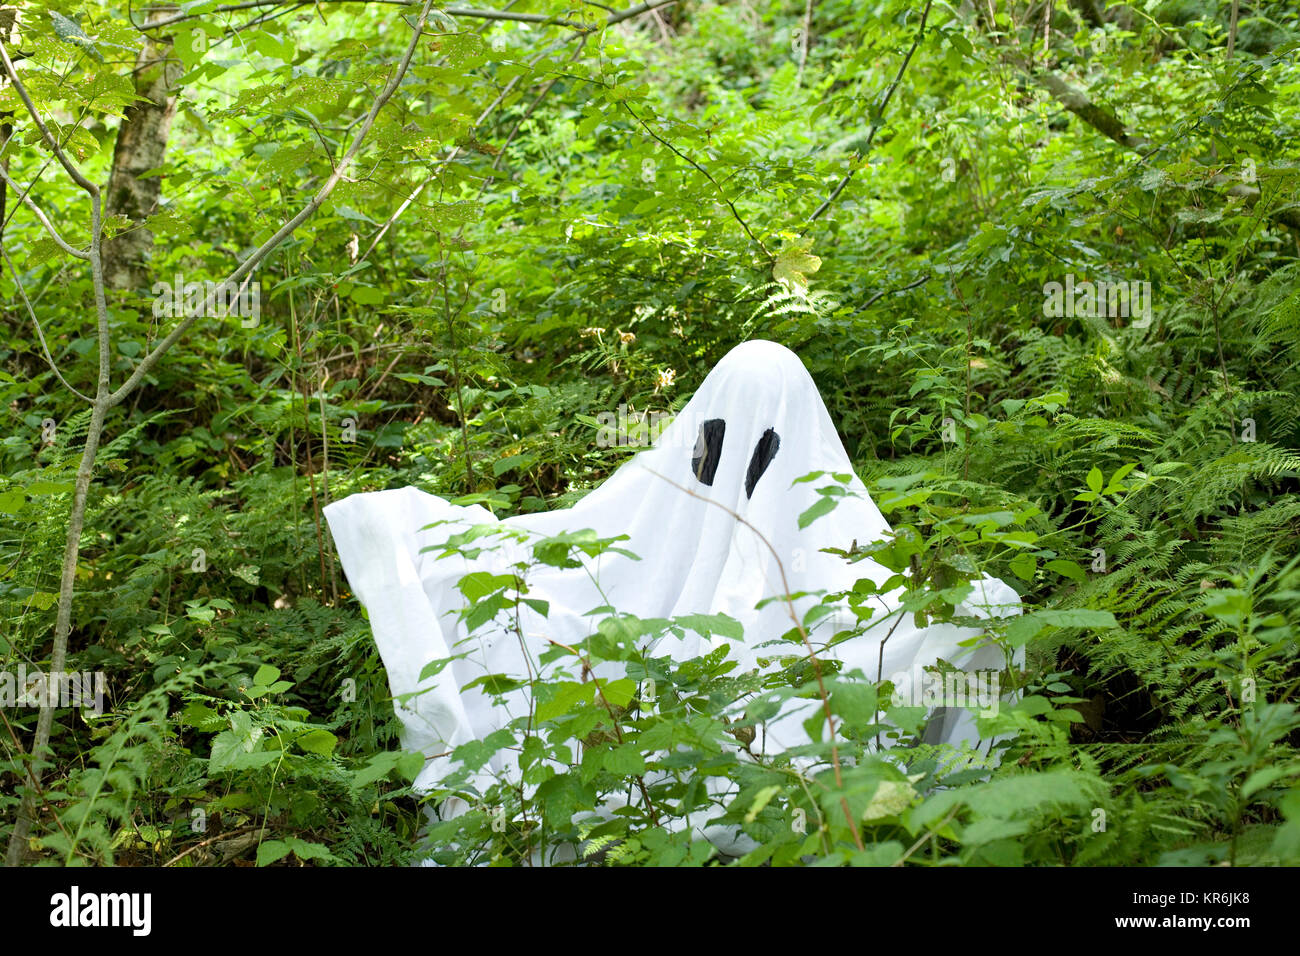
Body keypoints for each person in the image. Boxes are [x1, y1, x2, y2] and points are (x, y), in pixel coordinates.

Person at [324, 339, 1021, 858]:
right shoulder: (667, 503)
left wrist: (970, 610)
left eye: (762, 444)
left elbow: (866, 600)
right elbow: (604, 546)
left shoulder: (826, 513)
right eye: (722, 438)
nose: (736, 460)